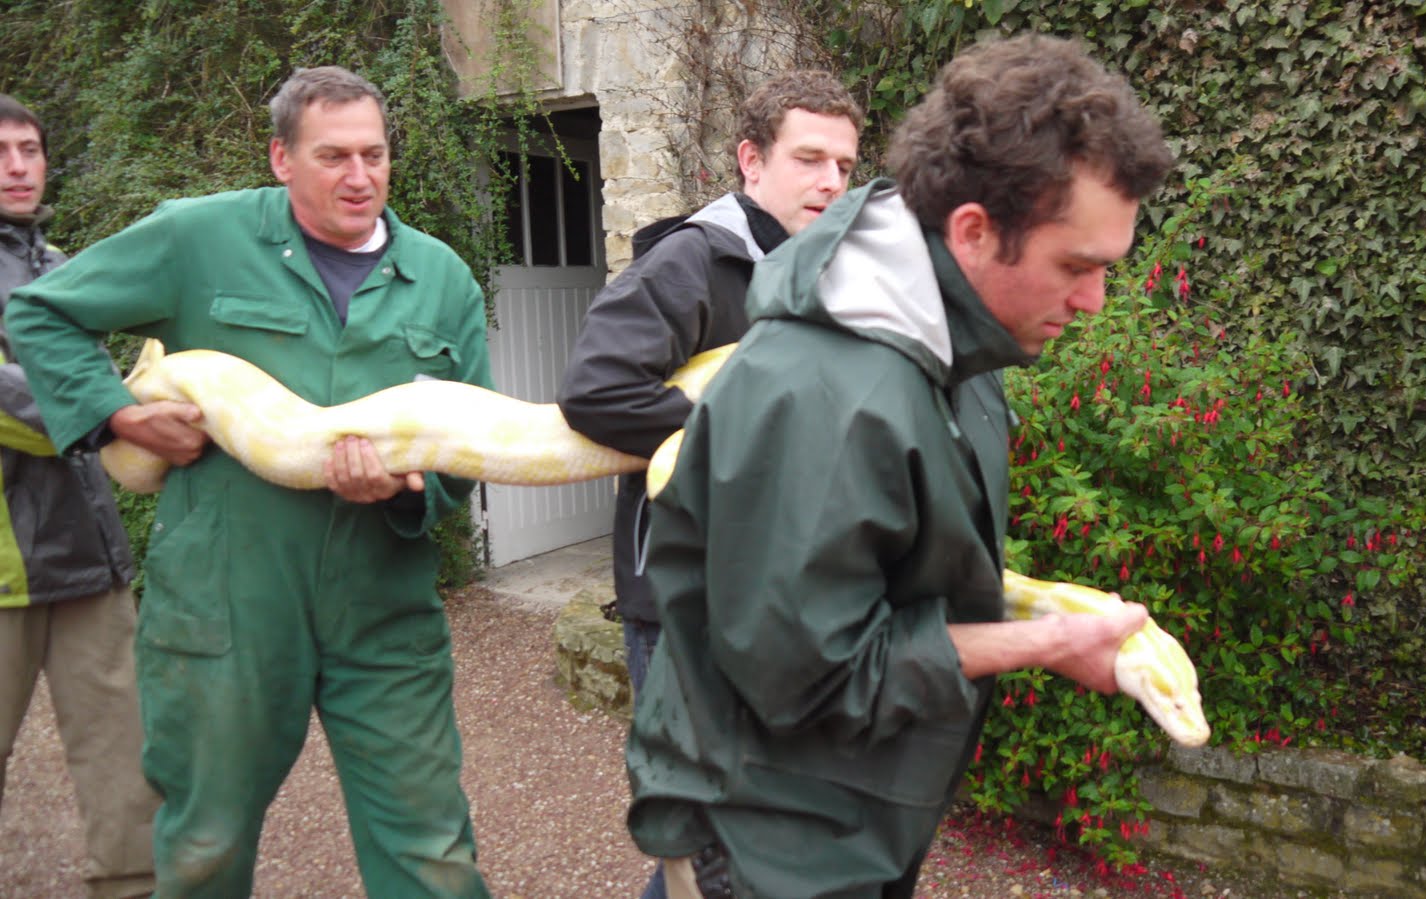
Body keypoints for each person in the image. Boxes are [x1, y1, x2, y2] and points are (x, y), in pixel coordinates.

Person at [624, 34, 1175, 899]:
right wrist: (1047, 641)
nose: (1095, 301)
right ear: (973, 230)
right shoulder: (825, 394)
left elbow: (886, 566)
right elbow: (806, 673)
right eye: (1077, 266)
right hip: (768, 834)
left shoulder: (955, 344)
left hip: (849, 812)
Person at [5, 67, 493, 897]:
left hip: (384, 608)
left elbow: (470, 437)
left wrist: (411, 490)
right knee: (202, 846)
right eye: (333, 155)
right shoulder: (199, 238)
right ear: (280, 158)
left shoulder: (442, 278)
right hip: (224, 606)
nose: (360, 177)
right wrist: (117, 414)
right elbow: (41, 312)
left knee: (434, 854)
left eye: (374, 154)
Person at [558, 67, 861, 899]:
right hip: (692, 597)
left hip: (792, 592)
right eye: (809, 158)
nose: (831, 181)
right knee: (716, 839)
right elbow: (597, 389)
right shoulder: (700, 259)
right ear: (751, 161)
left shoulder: (830, 272)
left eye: (844, 163)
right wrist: (745, 436)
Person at [0, 92, 160, 899]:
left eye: (30, 148)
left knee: (125, 756)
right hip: (3, 571)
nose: (18, 166)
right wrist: (113, 411)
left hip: (88, 552)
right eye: (1, 151)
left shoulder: (62, 265)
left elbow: (91, 382)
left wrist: (106, 401)